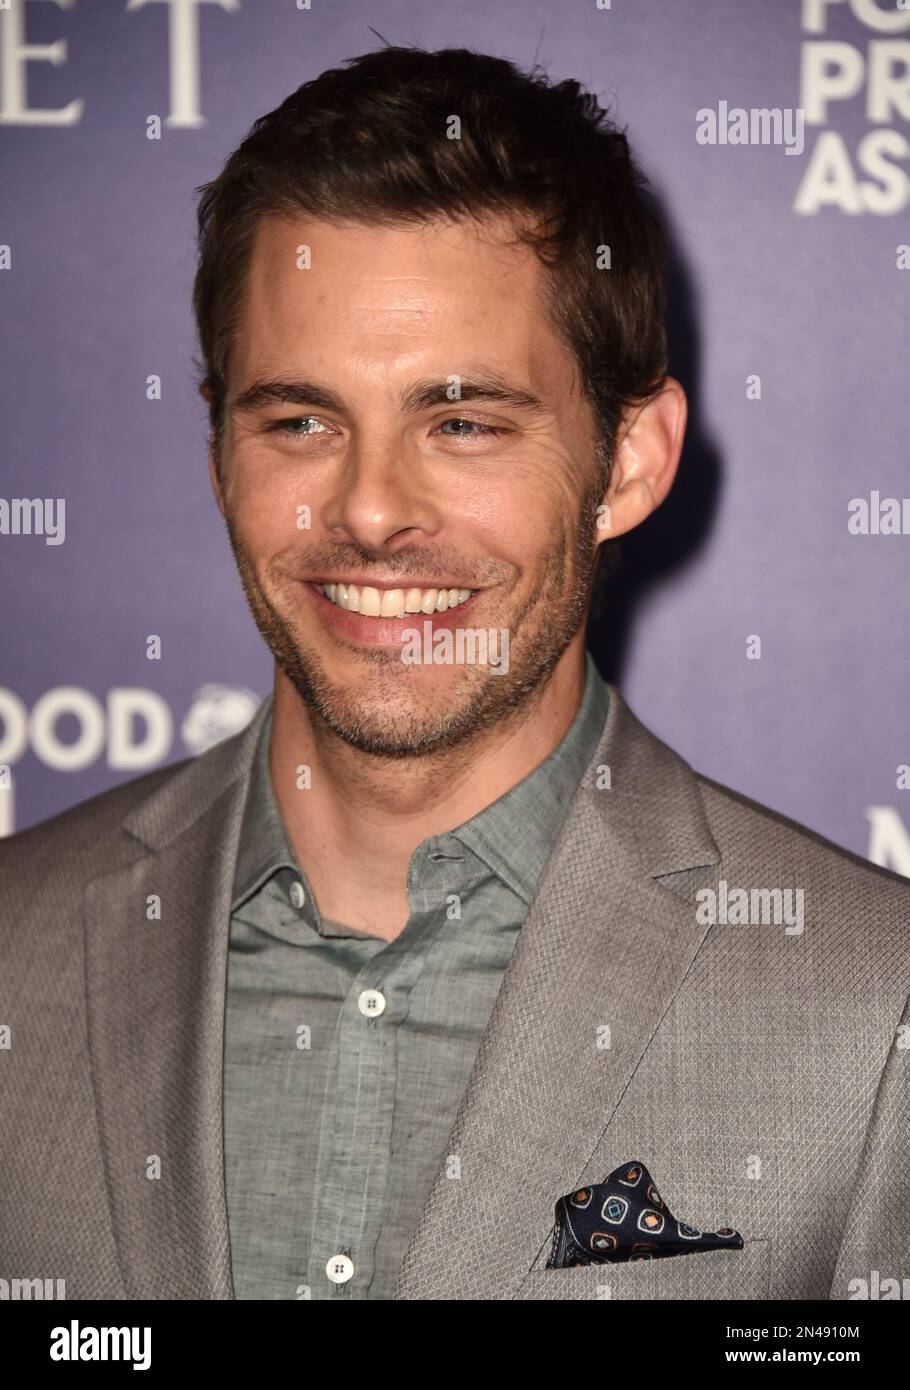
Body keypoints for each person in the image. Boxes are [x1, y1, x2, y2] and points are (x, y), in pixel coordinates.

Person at [1, 46, 907, 1302]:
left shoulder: (878, 1014)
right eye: (299, 421)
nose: (371, 512)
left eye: (464, 422)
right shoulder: (16, 943)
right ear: (217, 450)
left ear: (630, 462)